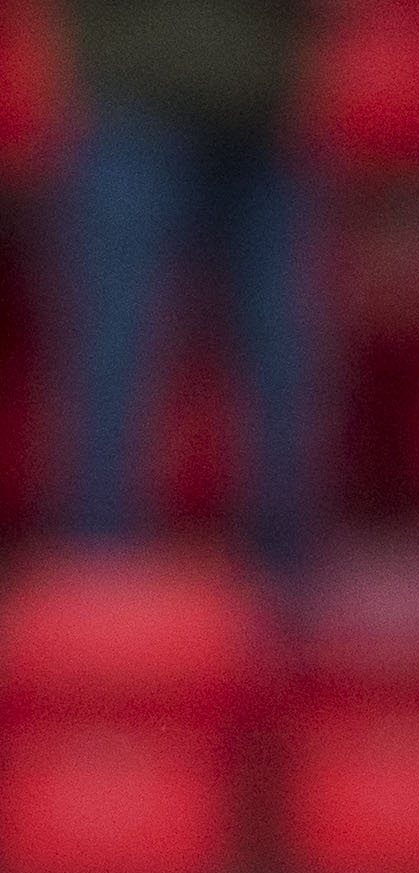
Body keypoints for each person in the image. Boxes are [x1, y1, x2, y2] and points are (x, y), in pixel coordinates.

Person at [56, 0, 326, 573]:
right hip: (136, 103)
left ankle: (285, 572)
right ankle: (101, 566)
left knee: (284, 349)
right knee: (114, 347)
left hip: (263, 114)